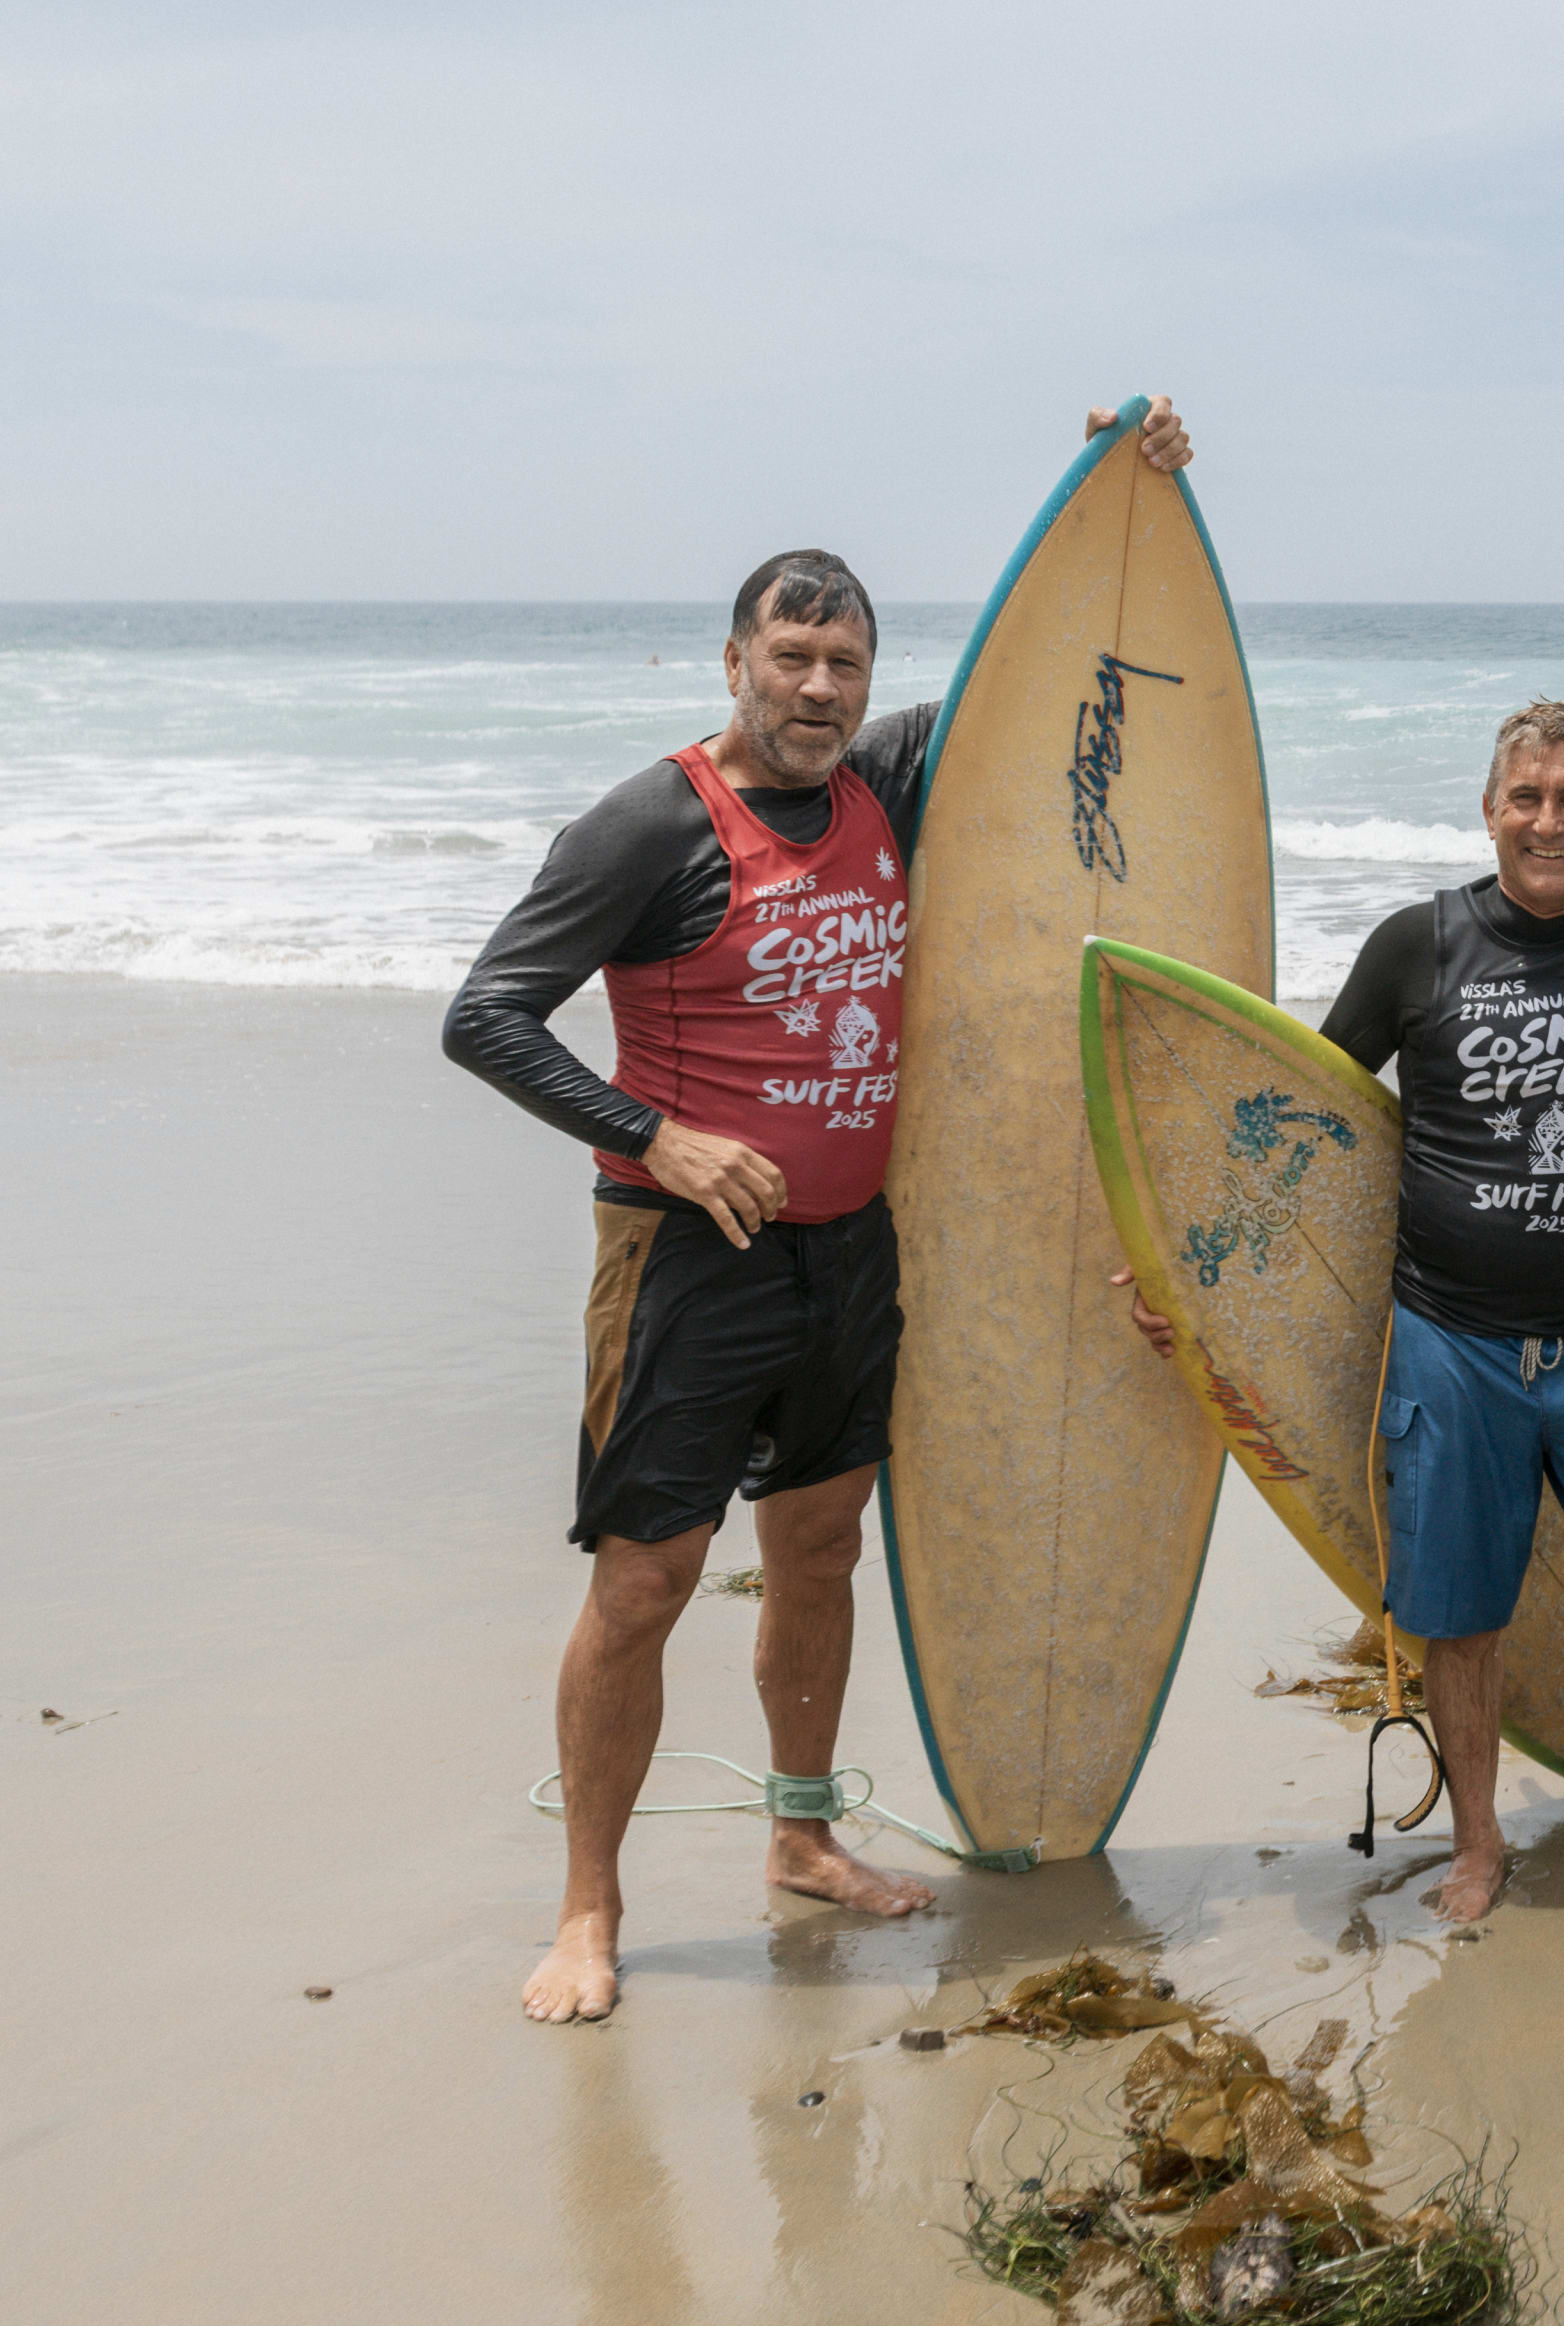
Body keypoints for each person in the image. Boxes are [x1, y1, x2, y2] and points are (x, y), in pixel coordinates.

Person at [446, 400, 1193, 2023]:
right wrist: (665, 1139)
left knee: (821, 1552)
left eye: (843, 663)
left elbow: (1044, 670)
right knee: (645, 1583)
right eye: (790, 658)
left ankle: (799, 1841)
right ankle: (588, 1906)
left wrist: (1117, 477)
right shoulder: (652, 823)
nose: (817, 689)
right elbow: (487, 1014)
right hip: (685, 1264)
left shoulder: (879, 784)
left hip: (851, 1257)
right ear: (733, 662)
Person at [1126, 702, 1564, 1928]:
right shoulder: (1414, 946)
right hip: (1450, 1344)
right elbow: (1298, 1127)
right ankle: (1480, 1842)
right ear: (1488, 809)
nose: (1549, 821)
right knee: (1460, 1614)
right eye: (1525, 797)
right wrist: (1190, 1276)